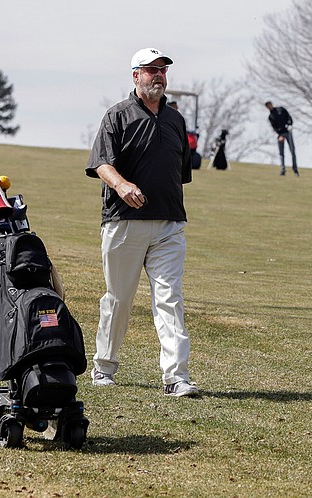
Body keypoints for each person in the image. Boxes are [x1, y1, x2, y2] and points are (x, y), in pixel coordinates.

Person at [85, 47, 198, 397]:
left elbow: (179, 175)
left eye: (162, 70)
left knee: (170, 299)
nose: (158, 75)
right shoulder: (117, 116)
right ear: (135, 76)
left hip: (169, 224)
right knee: (118, 298)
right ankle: (104, 367)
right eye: (151, 70)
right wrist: (122, 185)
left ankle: (176, 377)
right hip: (124, 223)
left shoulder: (176, 120)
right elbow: (101, 163)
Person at [265, 101, 299, 176]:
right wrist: (280, 135)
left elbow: (289, 117)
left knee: (292, 151)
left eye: (269, 105)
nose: (269, 106)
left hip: (288, 132)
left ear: (272, 104)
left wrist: (289, 124)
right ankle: (283, 168)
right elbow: (274, 128)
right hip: (281, 134)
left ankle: (295, 169)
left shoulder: (281, 109)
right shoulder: (271, 117)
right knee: (281, 153)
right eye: (268, 106)